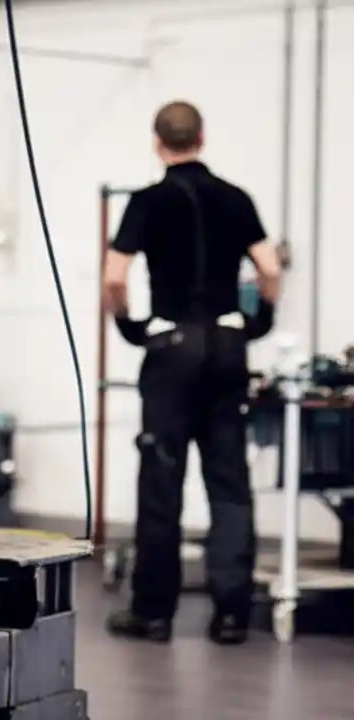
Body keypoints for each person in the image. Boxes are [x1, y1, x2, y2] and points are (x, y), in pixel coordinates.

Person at [103, 101, 282, 644]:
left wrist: (130, 326)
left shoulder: (148, 201)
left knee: (162, 479)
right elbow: (270, 268)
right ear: (202, 137)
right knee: (229, 482)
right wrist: (261, 320)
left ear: (158, 142)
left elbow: (115, 277)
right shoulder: (235, 198)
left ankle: (154, 613)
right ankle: (231, 615)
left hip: (171, 348)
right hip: (227, 346)